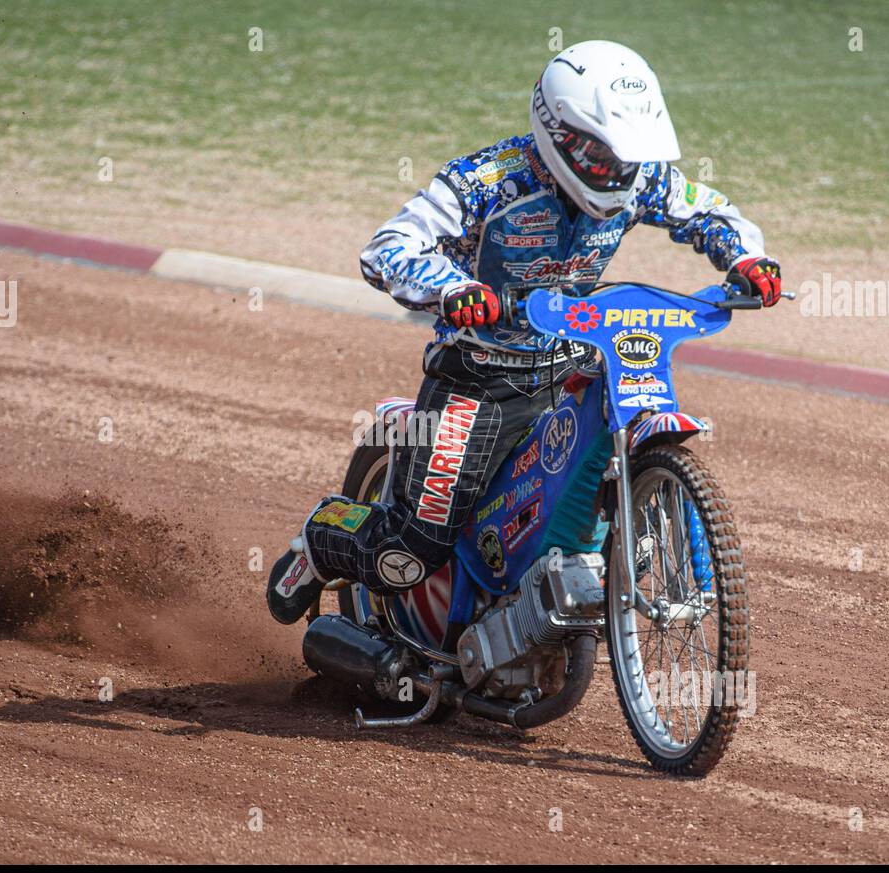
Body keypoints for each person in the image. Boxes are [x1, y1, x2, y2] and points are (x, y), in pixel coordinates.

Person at [267, 39, 781, 624]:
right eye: (601, 154)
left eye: (627, 157)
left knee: (597, 472)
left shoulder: (640, 181)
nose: (617, 172)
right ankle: (321, 541)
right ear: (557, 132)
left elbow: (710, 210)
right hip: (476, 381)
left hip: (569, 370)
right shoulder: (487, 179)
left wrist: (745, 259)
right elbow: (388, 248)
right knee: (407, 554)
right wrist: (451, 288)